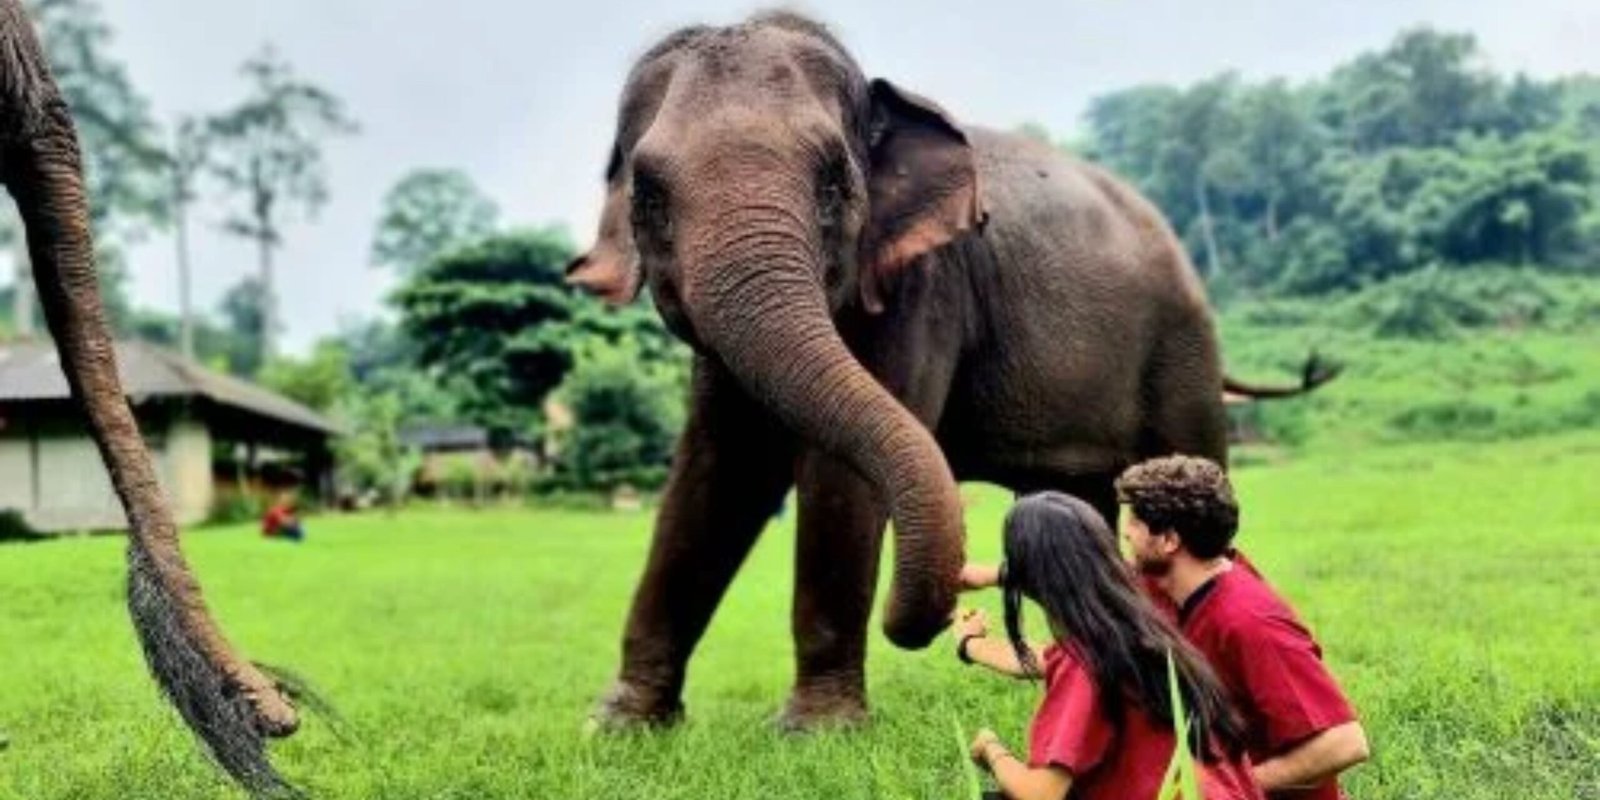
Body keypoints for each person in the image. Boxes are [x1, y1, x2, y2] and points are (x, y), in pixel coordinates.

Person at [953, 492, 1264, 800]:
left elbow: (1041, 794)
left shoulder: (1084, 659)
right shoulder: (1137, 622)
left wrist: (992, 750)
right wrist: (971, 644)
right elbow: (1049, 659)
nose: (1127, 531)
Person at [1114, 456, 1367, 799]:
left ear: (1169, 540)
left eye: (1135, 521)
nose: (1126, 532)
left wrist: (1223, 788)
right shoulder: (1177, 588)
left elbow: (1344, 744)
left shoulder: (1249, 620)